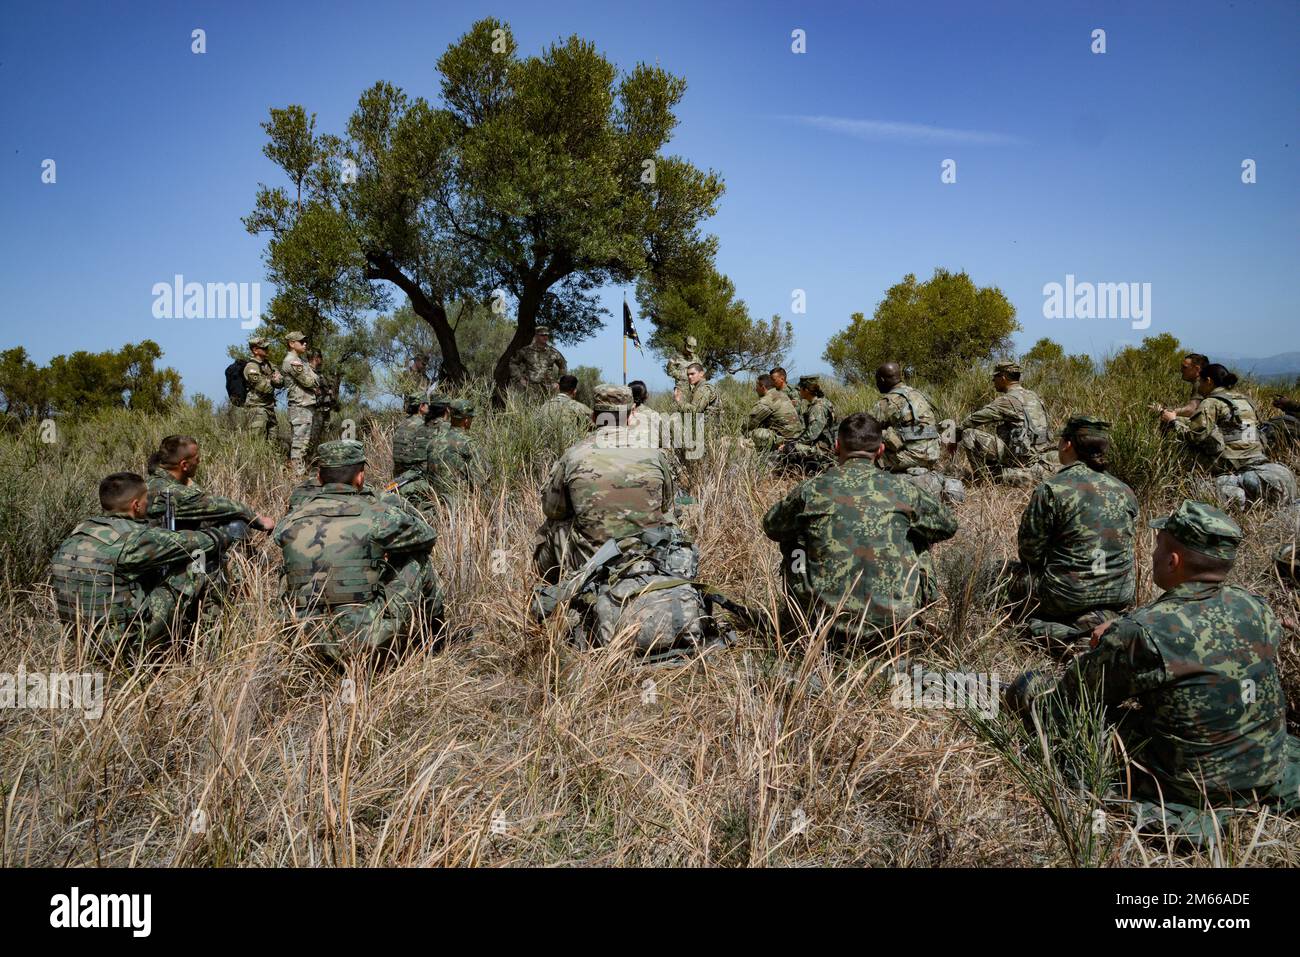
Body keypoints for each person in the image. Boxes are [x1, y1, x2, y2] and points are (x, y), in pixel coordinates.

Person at [1007, 500, 1300, 830]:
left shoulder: (1143, 634)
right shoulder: (1256, 607)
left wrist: (1115, 639)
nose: (1152, 555)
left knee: (1035, 690)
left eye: (1158, 546)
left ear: (1173, 560)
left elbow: (1074, 696)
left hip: (1190, 784)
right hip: (1265, 768)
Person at [762, 412, 958, 649]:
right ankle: (906, 601)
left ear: (836, 447)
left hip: (824, 625)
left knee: (792, 541)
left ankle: (801, 606)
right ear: (881, 450)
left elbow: (772, 526)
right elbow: (948, 526)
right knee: (918, 535)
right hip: (893, 626)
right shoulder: (903, 490)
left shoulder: (812, 489)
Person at [274, 440, 445, 661]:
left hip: (304, 639)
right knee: (416, 558)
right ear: (360, 477)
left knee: (285, 569)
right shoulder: (378, 515)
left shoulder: (290, 521)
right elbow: (427, 536)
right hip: (363, 640)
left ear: (319, 477)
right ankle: (436, 640)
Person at [50, 471, 236, 654]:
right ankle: (208, 647)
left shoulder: (79, 532)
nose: (150, 503)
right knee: (203, 561)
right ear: (136, 505)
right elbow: (199, 543)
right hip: (125, 643)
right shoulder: (133, 538)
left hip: (82, 641)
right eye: (147, 499)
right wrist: (226, 533)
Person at [1002, 417, 1139, 651]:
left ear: (1067, 445)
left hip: (1065, 595)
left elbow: (1029, 553)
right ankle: (1094, 621)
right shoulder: (1125, 490)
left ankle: (1051, 631)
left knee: (998, 573)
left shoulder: (1052, 488)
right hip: (1119, 594)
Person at [533, 384, 678, 583]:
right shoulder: (654, 454)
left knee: (553, 525)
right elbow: (666, 506)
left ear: (593, 417)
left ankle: (553, 588)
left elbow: (552, 509)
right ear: (631, 417)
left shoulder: (574, 455)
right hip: (647, 560)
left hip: (591, 563)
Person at [1159, 363, 1296, 507]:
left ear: (1209, 381)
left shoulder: (1211, 402)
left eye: (1201, 382)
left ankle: (1175, 489)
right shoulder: (1245, 400)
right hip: (1254, 456)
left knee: (1179, 445)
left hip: (1229, 461)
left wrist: (1173, 421)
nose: (1198, 386)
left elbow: (1195, 435)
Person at [145, 434, 275, 536]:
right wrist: (259, 520)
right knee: (236, 525)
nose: (199, 462)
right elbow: (223, 506)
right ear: (184, 465)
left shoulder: (149, 483)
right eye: (196, 459)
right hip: (167, 565)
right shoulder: (174, 493)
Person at [956, 361, 1058, 486]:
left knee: (968, 434)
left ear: (1003, 377)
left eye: (995, 377)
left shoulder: (1007, 400)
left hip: (1023, 458)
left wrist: (954, 437)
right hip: (1041, 455)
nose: (993, 381)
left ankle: (984, 481)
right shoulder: (1034, 396)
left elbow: (973, 420)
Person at [421, 399, 486, 504]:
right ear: (466, 420)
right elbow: (479, 483)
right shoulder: (469, 444)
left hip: (435, 503)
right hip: (460, 505)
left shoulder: (433, 442)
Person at [776, 375, 838, 472]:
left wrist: (792, 444)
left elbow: (812, 435)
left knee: (789, 448)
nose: (799, 391)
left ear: (806, 390)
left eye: (800, 388)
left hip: (823, 450)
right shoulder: (820, 403)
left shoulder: (818, 408)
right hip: (822, 445)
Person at [281, 331, 322, 474]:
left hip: (304, 406)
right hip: (300, 406)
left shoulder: (301, 362)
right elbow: (310, 381)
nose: (305, 344)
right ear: (292, 344)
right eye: (301, 341)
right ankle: (297, 475)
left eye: (305, 341)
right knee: (300, 443)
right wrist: (314, 379)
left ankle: (299, 472)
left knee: (303, 442)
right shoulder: (292, 362)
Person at [742, 374, 802, 450]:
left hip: (785, 440)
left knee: (756, 433)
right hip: (797, 437)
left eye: (757, 387)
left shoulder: (767, 401)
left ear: (763, 387)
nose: (756, 389)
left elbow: (748, 424)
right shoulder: (782, 395)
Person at [242, 336, 282, 443]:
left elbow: (281, 382)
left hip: (269, 407)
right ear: (255, 350)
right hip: (257, 408)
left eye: (267, 347)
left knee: (273, 442)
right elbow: (264, 388)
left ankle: (270, 460)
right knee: (256, 441)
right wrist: (273, 380)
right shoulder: (251, 367)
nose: (267, 350)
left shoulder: (269, 365)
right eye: (264, 348)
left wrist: (275, 381)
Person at [507, 325, 567, 395]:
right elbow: (513, 363)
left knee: (548, 406)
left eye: (546, 335)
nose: (545, 337)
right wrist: (519, 378)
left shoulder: (553, 352)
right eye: (542, 335)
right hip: (530, 388)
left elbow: (563, 366)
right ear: (536, 336)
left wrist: (558, 382)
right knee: (529, 406)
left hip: (549, 388)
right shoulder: (526, 350)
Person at [1149, 352, 1209, 419]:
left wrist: (1162, 411)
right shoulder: (1200, 383)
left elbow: (1190, 410)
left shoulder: (1200, 384)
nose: (1181, 370)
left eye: (1185, 367)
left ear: (1197, 369)